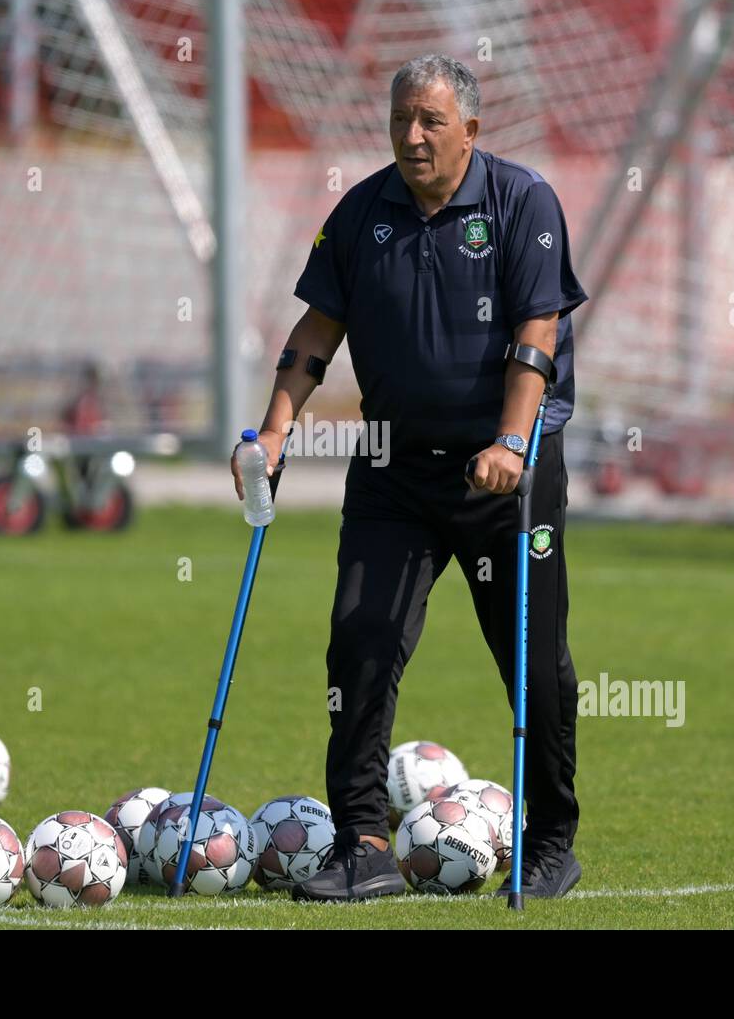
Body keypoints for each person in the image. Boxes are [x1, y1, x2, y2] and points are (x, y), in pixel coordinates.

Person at [231, 54, 587, 902]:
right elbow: (316, 333)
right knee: (359, 643)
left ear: (471, 129)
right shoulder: (362, 212)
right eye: (401, 120)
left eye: (430, 121)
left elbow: (538, 330)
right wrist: (274, 435)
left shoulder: (521, 201)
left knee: (535, 666)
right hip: (393, 473)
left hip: (507, 476)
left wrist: (509, 441)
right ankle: (361, 842)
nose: (413, 136)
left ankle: (550, 841)